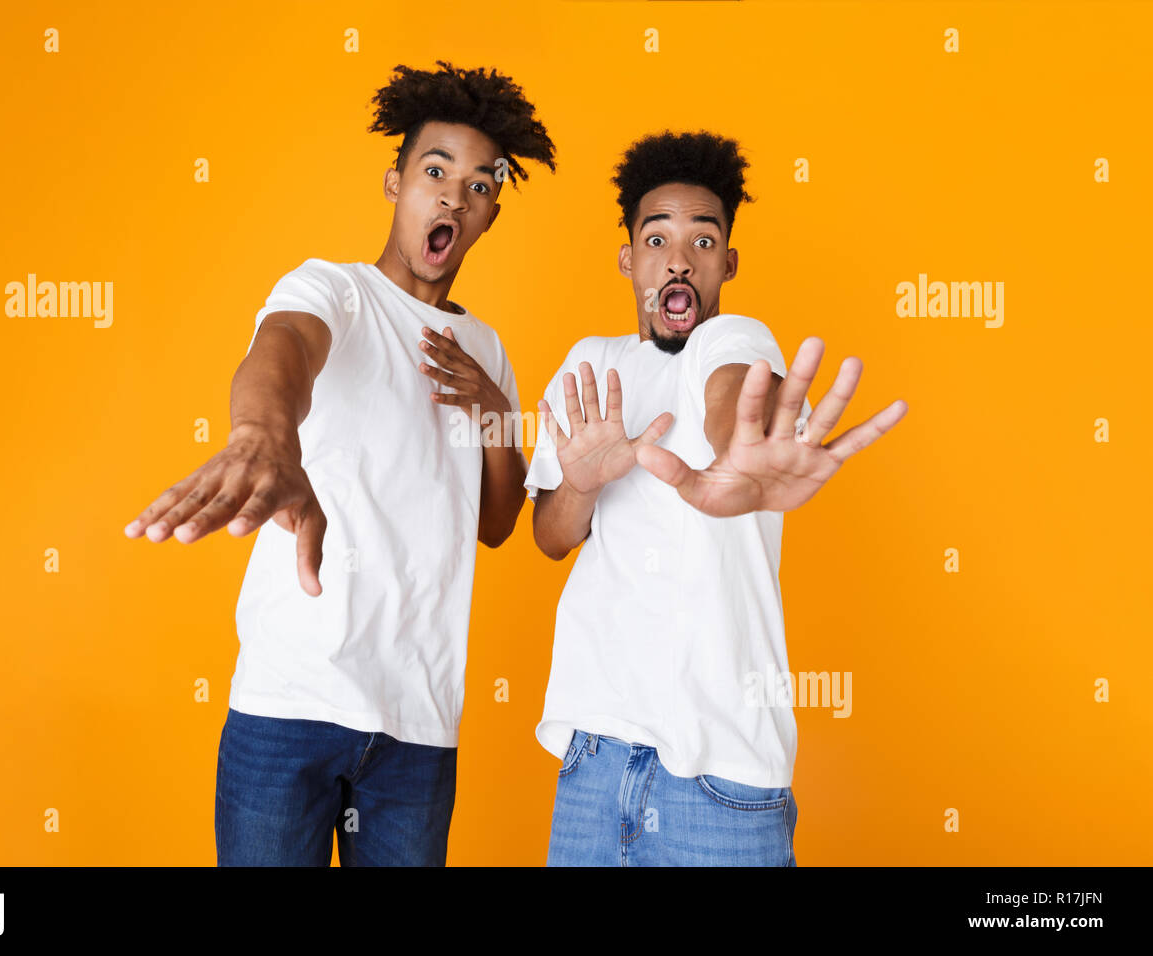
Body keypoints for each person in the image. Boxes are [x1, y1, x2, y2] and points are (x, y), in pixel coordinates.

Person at [123, 61, 555, 866]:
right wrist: (262, 436)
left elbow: (495, 525)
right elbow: (281, 347)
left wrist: (498, 415)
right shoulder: (335, 290)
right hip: (292, 705)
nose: (453, 198)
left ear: (491, 212)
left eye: (479, 186)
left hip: (419, 726)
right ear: (395, 183)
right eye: (435, 172)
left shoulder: (488, 350)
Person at [526, 130, 907, 866]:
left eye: (703, 241)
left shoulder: (734, 337)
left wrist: (747, 442)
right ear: (628, 258)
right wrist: (580, 482)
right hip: (595, 758)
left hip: (721, 776)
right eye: (657, 238)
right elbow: (550, 536)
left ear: (727, 262)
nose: (678, 258)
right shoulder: (591, 365)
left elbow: (731, 388)